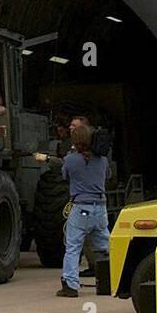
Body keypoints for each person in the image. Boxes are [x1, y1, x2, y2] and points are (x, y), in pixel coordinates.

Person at [56, 124, 110, 298]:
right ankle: (109, 282)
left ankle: (70, 285)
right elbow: (108, 175)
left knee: (73, 247)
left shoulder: (71, 159)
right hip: (100, 208)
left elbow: (64, 175)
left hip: (81, 208)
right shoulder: (103, 160)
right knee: (105, 248)